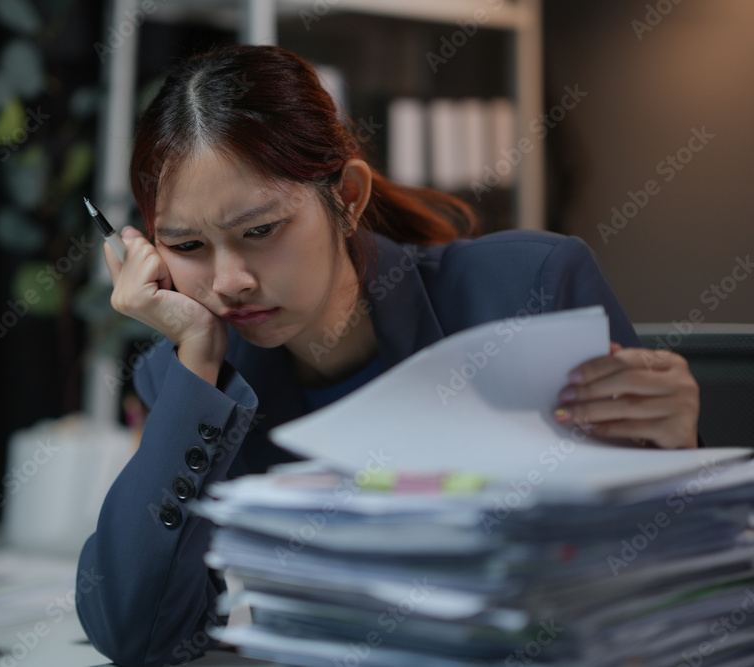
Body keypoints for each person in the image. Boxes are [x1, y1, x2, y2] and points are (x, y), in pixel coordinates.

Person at [76, 44, 700, 667]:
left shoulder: (529, 291)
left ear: (346, 197)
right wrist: (195, 364)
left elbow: (666, 588)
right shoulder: (194, 380)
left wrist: (675, 459)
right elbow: (141, 637)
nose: (229, 280)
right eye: (187, 244)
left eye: (260, 231)